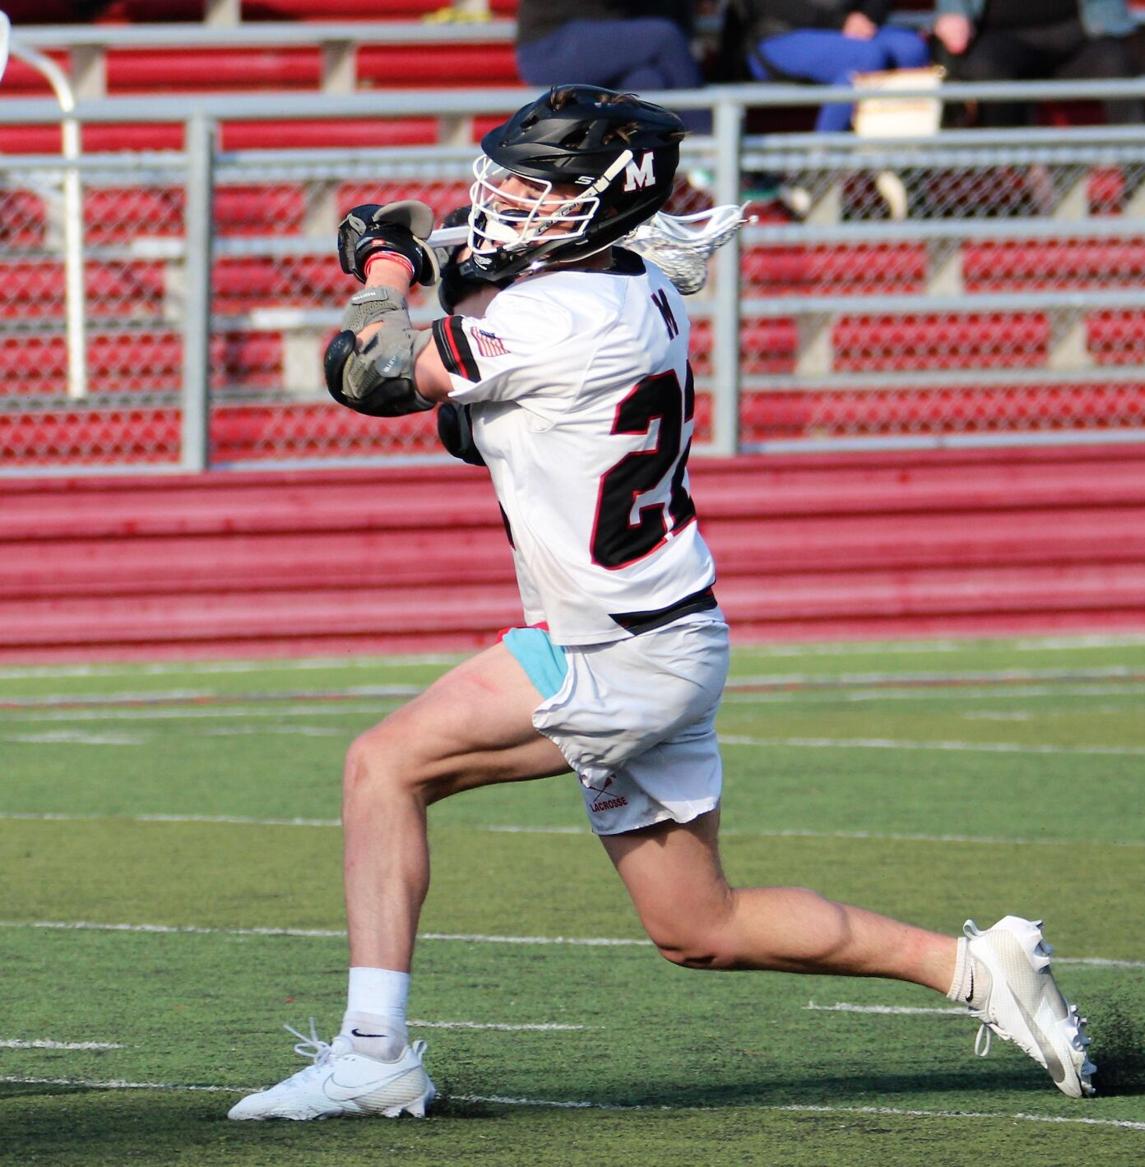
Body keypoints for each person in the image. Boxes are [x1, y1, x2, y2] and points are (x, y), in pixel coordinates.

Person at [226, 84, 1096, 1122]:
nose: (506, 198)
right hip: (668, 631)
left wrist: (384, 267)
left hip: (611, 647)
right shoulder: (638, 280)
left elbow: (365, 375)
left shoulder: (552, 313)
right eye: (506, 177)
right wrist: (441, 272)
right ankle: (973, 969)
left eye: (537, 187)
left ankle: (373, 1056)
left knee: (382, 767)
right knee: (701, 927)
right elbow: (478, 419)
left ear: (604, 200)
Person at [932, 0, 1145, 127]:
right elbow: (954, 16)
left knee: (1116, 61)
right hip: (1003, 42)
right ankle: (1017, 171)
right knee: (986, 67)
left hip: (1077, 39)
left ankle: (1140, 174)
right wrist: (955, 13)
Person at [738, 0, 933, 133]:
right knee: (865, 56)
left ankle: (896, 157)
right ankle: (821, 170)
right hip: (778, 35)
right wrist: (840, 23)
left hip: (850, 31)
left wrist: (866, 20)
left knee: (912, 49)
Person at [515, 1, 709, 132]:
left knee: (648, 82)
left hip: (602, 44)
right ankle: (709, 147)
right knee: (665, 36)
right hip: (550, 44)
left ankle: (631, 175)